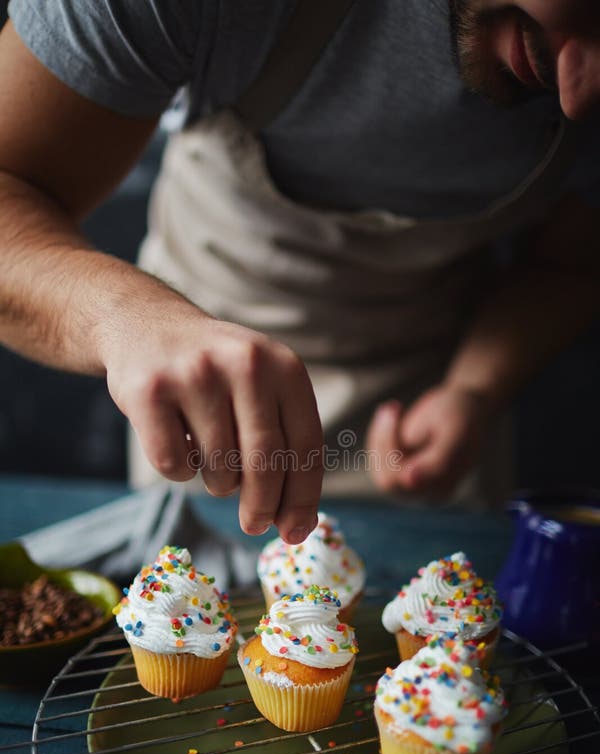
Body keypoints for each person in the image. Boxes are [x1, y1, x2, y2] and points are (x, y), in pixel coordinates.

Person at [0, 0, 599, 545]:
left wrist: (475, 389)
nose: (580, 94)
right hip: (206, 407)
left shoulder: (586, 88)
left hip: (427, 406)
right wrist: (126, 318)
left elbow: (570, 260)